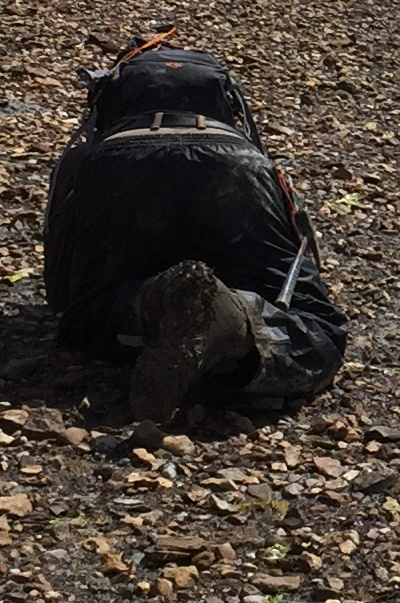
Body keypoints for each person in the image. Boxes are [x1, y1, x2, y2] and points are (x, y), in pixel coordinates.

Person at [42, 37, 348, 441]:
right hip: (234, 169)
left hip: (116, 166)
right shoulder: (231, 115)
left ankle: (149, 305)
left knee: (89, 312)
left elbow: (63, 294)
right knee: (315, 325)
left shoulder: (100, 132)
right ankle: (236, 321)